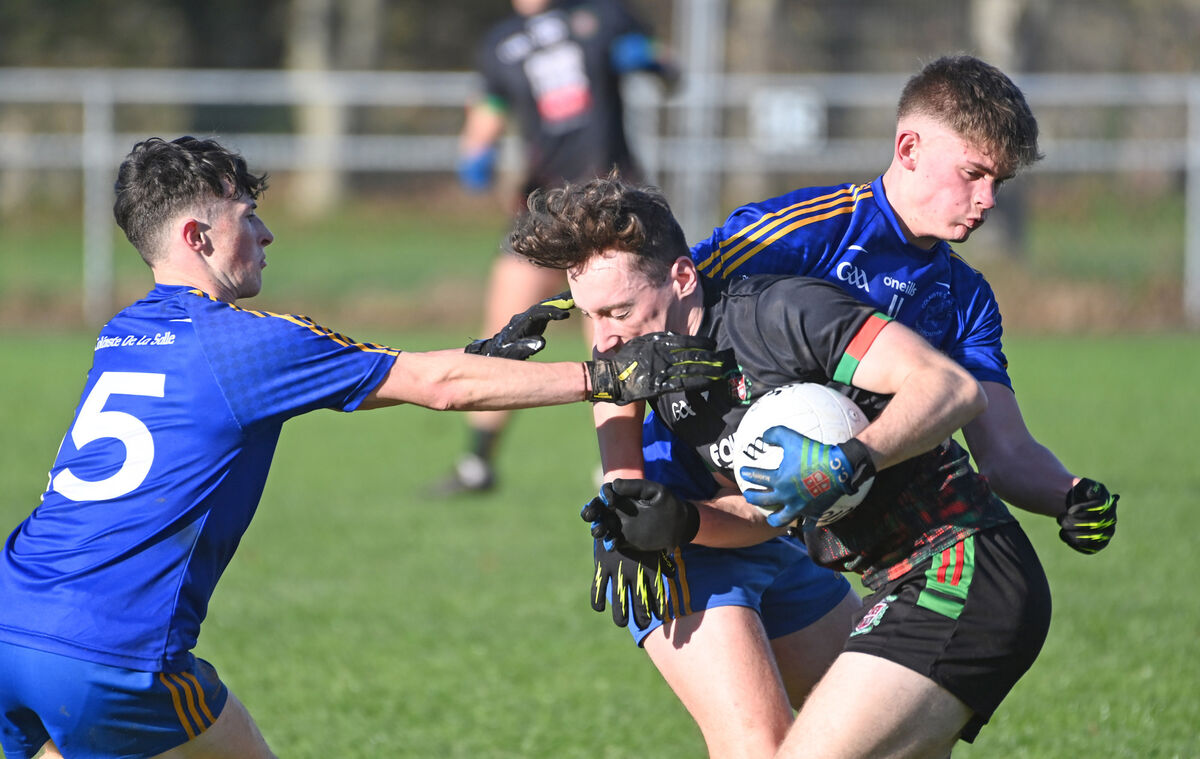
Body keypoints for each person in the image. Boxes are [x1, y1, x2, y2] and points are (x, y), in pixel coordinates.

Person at [0, 136, 731, 759]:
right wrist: (605, 374)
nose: (266, 235)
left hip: (13, 617)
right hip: (115, 649)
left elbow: (391, 373)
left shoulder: (123, 333)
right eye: (247, 218)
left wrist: (483, 354)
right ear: (198, 238)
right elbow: (434, 385)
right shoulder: (248, 342)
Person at [583, 54, 1119, 757]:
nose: (988, 201)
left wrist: (1065, 492)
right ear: (909, 148)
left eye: (1000, 182)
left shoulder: (964, 298)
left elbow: (1004, 449)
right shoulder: (792, 235)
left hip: (793, 523)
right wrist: (629, 491)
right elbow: (635, 333)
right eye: (974, 174)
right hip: (689, 513)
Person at [435, 0, 678, 494]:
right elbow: (490, 107)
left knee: (619, 334)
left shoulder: (604, 16)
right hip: (543, 208)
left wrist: (653, 62)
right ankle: (476, 465)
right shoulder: (501, 42)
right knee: (503, 331)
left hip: (612, 202)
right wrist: (476, 150)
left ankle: (640, 461)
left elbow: (672, 73)